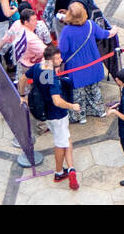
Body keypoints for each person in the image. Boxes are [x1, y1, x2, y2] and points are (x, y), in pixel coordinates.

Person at [27, 43, 82, 189]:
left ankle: (70, 168)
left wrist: (21, 95)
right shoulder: (53, 78)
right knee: (60, 143)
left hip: (46, 112)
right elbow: (57, 100)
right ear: (51, 60)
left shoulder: (38, 67)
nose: (61, 60)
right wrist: (72, 106)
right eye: (58, 58)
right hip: (57, 115)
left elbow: (22, 80)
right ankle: (59, 172)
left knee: (65, 139)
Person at [57, 0, 115, 119]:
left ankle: (80, 116)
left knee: (78, 93)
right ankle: (100, 110)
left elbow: (62, 51)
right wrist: (113, 31)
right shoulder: (90, 24)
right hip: (93, 64)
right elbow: (104, 34)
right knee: (95, 90)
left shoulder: (66, 31)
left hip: (75, 68)